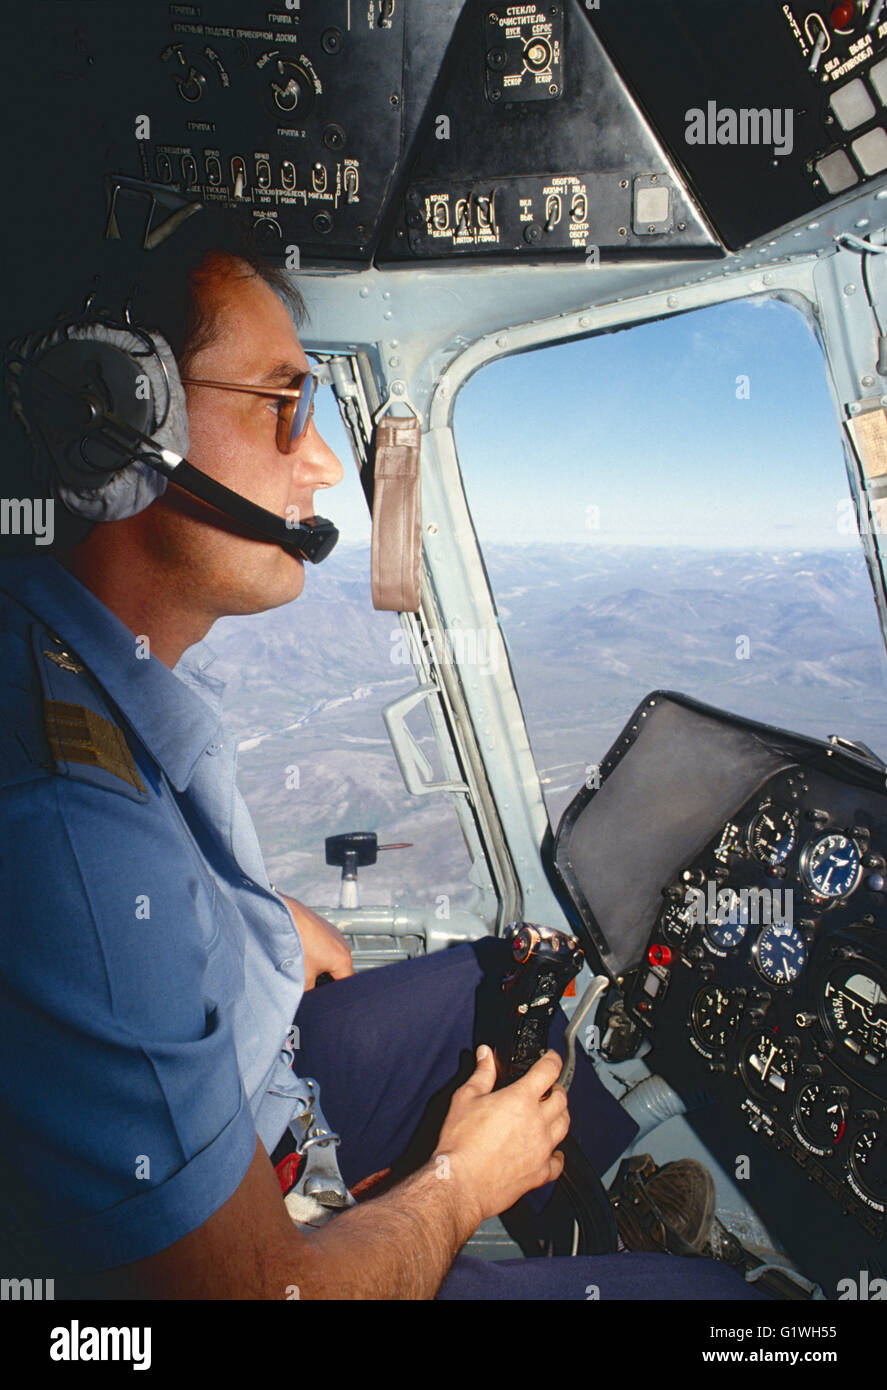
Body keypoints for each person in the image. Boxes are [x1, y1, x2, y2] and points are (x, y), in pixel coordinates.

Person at [0, 240, 764, 1300]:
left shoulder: (58, 657)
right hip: (262, 1246)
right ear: (114, 422)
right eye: (282, 404)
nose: (317, 465)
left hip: (260, 1096)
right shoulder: (65, 830)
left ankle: (606, 1233)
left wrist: (249, 917)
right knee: (733, 1321)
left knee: (496, 985)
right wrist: (457, 1186)